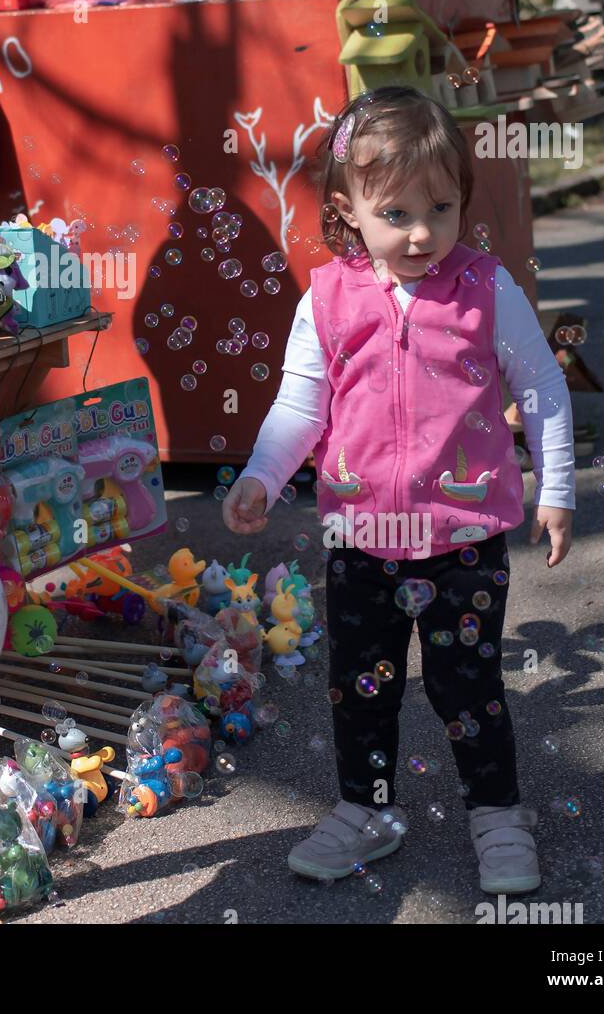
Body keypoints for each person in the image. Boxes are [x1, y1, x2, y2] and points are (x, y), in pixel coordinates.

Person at [222, 88, 575, 895]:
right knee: (358, 689)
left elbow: (545, 388)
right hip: (360, 541)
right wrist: (261, 477)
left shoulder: (488, 291)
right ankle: (368, 807)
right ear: (347, 209)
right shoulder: (329, 299)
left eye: (442, 207)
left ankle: (496, 813)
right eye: (397, 212)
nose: (423, 233)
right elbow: (300, 406)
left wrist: (559, 488)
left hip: (464, 537)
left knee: (468, 689)